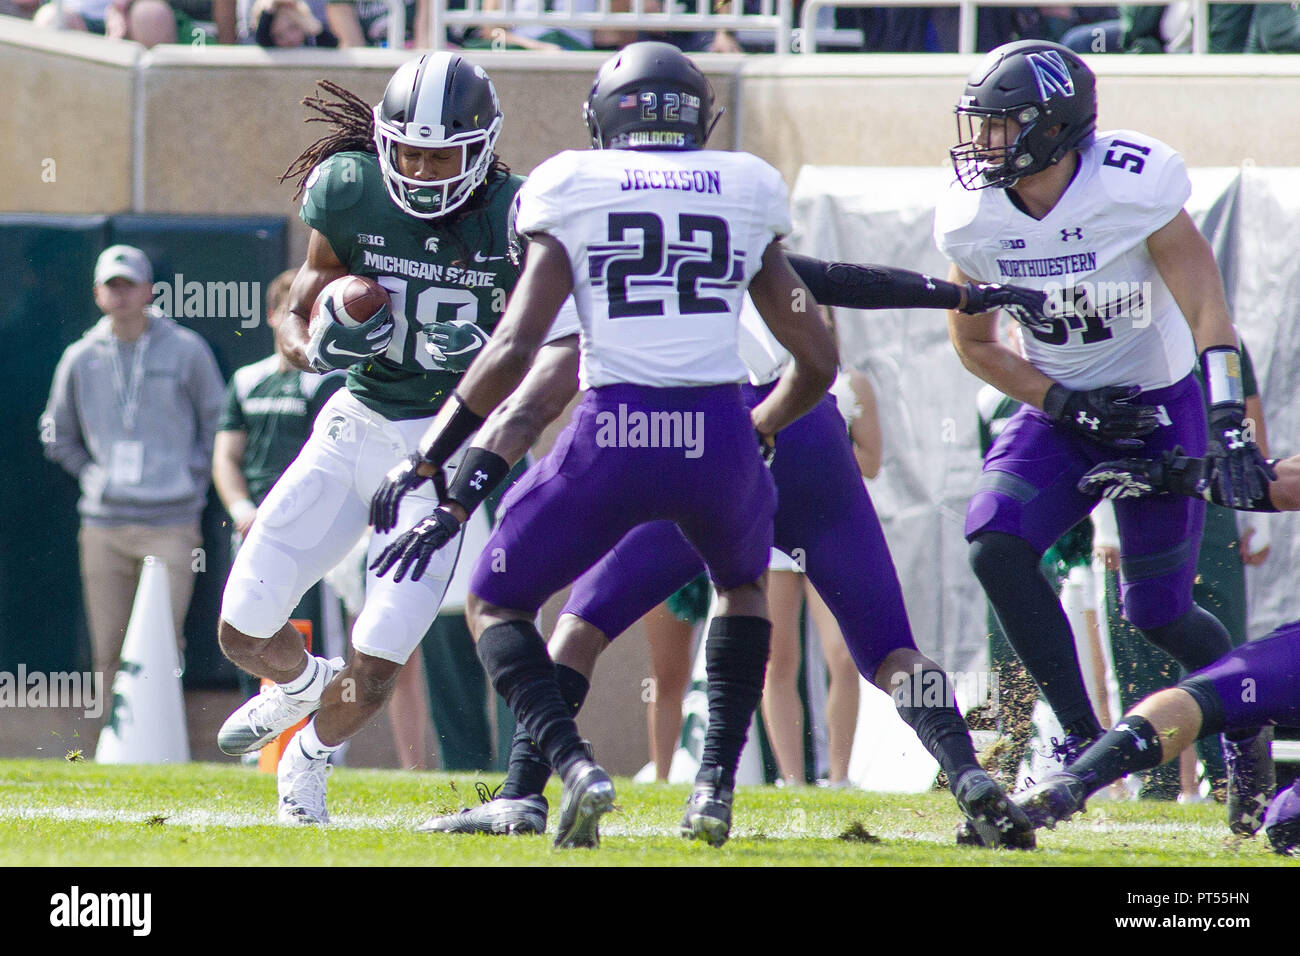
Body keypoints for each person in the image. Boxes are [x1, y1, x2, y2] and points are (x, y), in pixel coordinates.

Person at [368, 71, 1054, 847]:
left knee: (581, 625)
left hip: (692, 428)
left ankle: (529, 789)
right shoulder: (730, 205)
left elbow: (530, 386)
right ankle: (966, 776)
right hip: (797, 426)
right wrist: (958, 296)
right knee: (886, 647)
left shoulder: (578, 220)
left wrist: (449, 479)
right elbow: (827, 287)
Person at [367, 41, 843, 849]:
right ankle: (715, 791)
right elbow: (819, 359)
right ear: (700, 115)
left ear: (601, 118)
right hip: (719, 434)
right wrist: (762, 428)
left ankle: (570, 767)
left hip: (615, 432)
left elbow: (516, 348)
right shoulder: (744, 184)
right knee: (741, 588)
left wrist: (430, 451)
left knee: (496, 600)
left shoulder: (569, 185)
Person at [214, 52, 576, 825]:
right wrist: (311, 346)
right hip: (355, 424)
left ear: (482, 147)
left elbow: (554, 356)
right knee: (241, 629)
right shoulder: (349, 188)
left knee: (379, 660)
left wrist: (491, 360)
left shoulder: (518, 215)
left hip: (439, 455)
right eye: (407, 149)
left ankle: (308, 758)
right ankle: (305, 685)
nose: (419, 168)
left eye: (440, 153)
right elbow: (296, 307)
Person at [934, 39, 1276, 836]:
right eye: (979, 125)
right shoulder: (972, 215)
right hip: (1062, 410)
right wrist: (1062, 402)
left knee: (1156, 612)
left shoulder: (1132, 184)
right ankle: (1080, 740)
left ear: (1053, 128)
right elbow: (975, 343)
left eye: (1001, 125)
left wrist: (1226, 417)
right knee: (994, 540)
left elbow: (1206, 310)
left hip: (1158, 403)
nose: (983, 143)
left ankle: (1248, 720)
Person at [40, 244, 225, 700]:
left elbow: (219, 424)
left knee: (164, 642)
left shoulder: (186, 349)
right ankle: (110, 752)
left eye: (128, 285)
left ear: (149, 290)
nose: (120, 295)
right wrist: (91, 475)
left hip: (172, 522)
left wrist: (191, 477)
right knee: (108, 648)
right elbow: (55, 433)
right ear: (98, 294)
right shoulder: (80, 356)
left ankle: (162, 751)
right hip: (104, 525)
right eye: (111, 286)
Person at [211, 268, 347, 707]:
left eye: (312, 313)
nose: (304, 323)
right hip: (254, 526)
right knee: (246, 624)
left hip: (309, 529)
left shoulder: (330, 382)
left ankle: (322, 734)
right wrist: (241, 509)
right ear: (274, 316)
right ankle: (258, 728)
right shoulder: (248, 380)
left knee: (314, 632)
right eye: (296, 312)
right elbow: (226, 456)